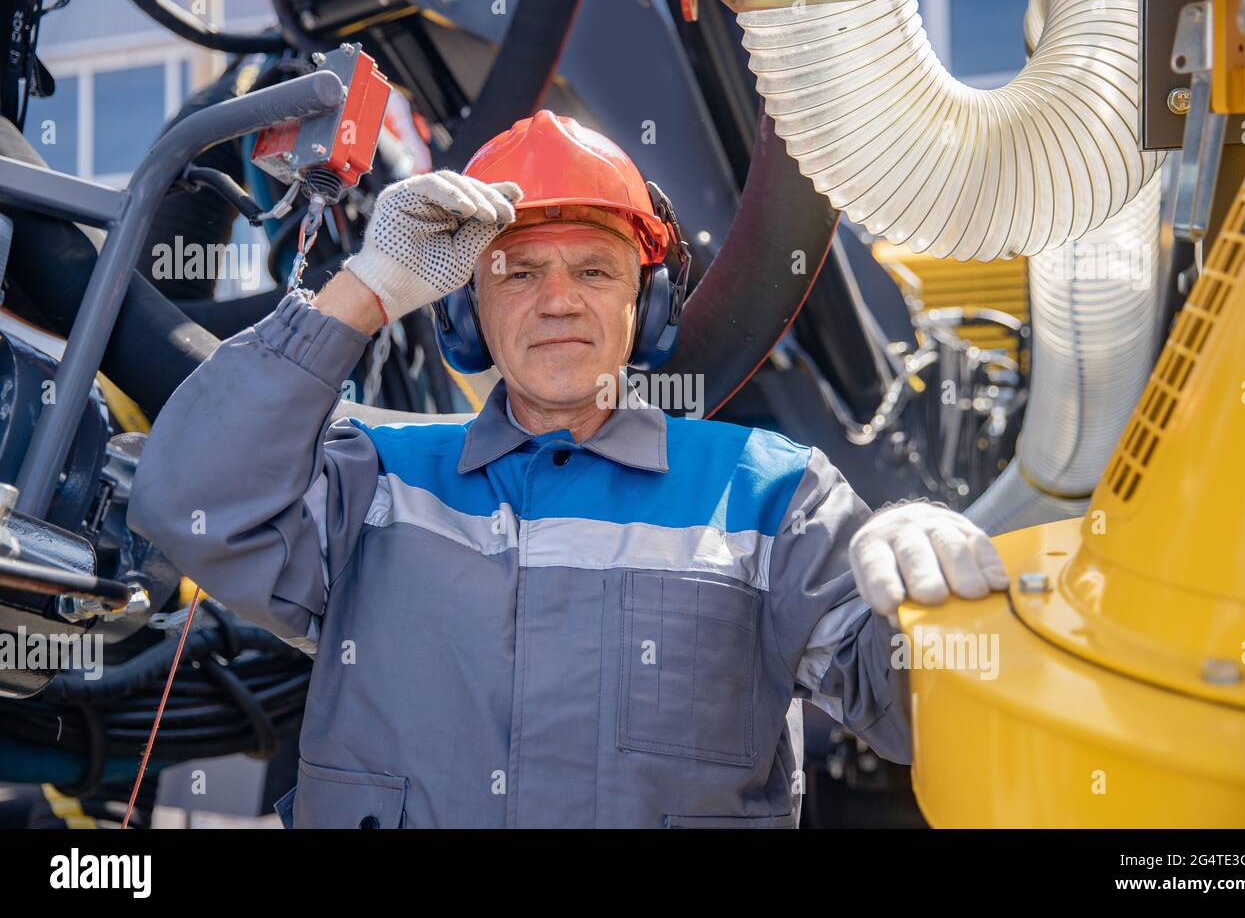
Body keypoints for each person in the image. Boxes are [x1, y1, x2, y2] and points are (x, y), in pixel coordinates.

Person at [128, 110, 1007, 828]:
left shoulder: (771, 496)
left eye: (594, 268)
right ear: (467, 312)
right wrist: (367, 287)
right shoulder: (377, 483)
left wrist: (933, 593)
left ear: (647, 303)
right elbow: (189, 504)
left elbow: (923, 714)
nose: (557, 299)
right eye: (515, 272)